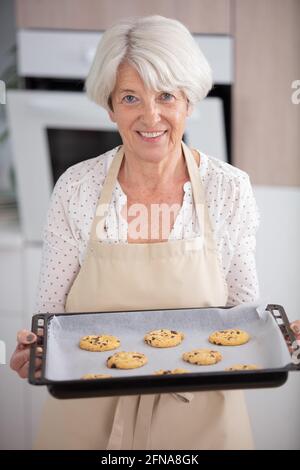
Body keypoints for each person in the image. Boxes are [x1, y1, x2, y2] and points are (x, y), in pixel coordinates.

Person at [10, 15, 300, 450]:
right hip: (86, 419)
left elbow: (242, 318)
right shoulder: (77, 187)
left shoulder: (228, 188)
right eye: (130, 97)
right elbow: (52, 322)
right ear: (109, 105)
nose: (151, 116)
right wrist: (34, 353)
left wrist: (283, 341)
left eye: (166, 95)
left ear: (189, 101)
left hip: (202, 421)